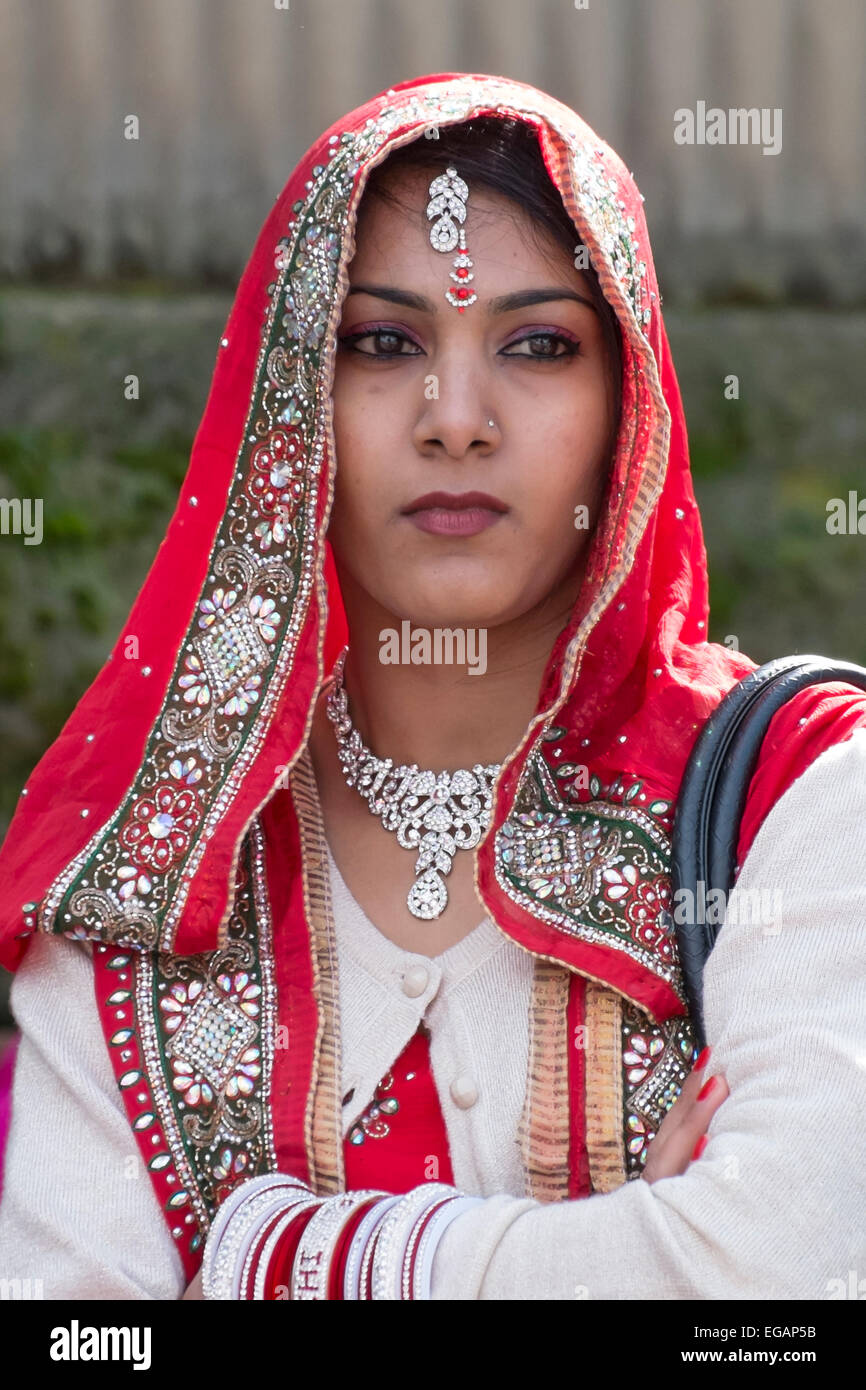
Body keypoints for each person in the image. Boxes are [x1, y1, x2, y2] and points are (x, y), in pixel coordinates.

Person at [0, 72, 864, 1301]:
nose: (454, 419)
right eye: (382, 342)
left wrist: (273, 1260)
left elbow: (781, 1272)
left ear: (627, 402)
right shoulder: (149, 883)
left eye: (537, 345)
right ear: (289, 402)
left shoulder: (797, 793)